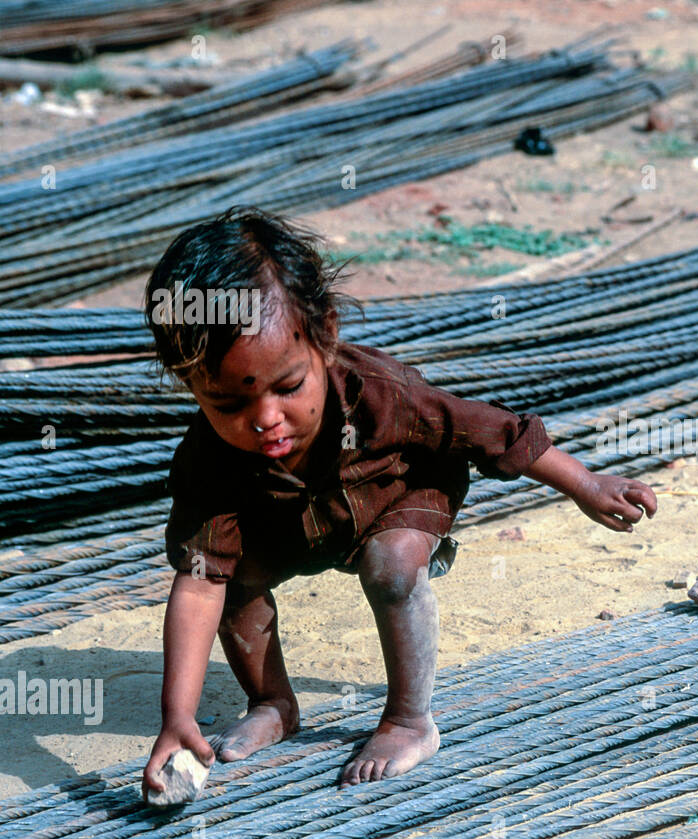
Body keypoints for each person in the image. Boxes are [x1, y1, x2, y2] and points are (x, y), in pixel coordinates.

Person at [141, 206, 656, 794]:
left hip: (399, 492)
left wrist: (588, 485)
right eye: (229, 405)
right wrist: (176, 715)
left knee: (389, 566)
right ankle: (273, 702)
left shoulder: (383, 396)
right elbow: (200, 581)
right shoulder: (210, 460)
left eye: (288, 387)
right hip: (294, 521)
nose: (266, 420)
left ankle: (409, 720)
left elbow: (489, 431)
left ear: (325, 335)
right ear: (192, 386)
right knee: (231, 581)